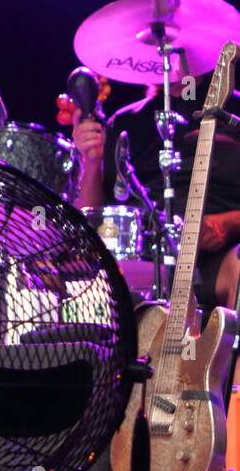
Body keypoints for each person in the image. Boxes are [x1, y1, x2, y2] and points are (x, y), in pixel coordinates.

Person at [72, 80, 239, 311]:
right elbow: (89, 217)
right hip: (143, 258)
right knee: (83, 275)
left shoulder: (234, 113)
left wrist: (228, 223)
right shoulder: (124, 121)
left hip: (217, 259)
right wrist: (91, 161)